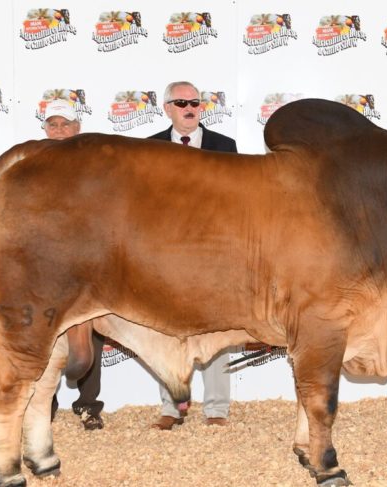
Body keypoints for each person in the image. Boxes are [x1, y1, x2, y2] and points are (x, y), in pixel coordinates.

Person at [148, 81, 237, 430]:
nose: (190, 107)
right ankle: (172, 407)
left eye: (195, 102)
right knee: (167, 331)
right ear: (167, 107)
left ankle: (217, 410)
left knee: (217, 328)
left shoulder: (224, 147)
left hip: (214, 251)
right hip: (165, 254)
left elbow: (234, 201)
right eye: (181, 102)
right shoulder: (150, 149)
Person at [42, 99, 106, 430]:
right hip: (49, 262)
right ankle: (45, 403)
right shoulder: (34, 165)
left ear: (78, 127)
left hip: (86, 261)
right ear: (45, 130)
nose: (59, 131)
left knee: (90, 332)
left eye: (65, 124)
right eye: (53, 125)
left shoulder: (93, 164)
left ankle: (89, 406)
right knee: (46, 332)